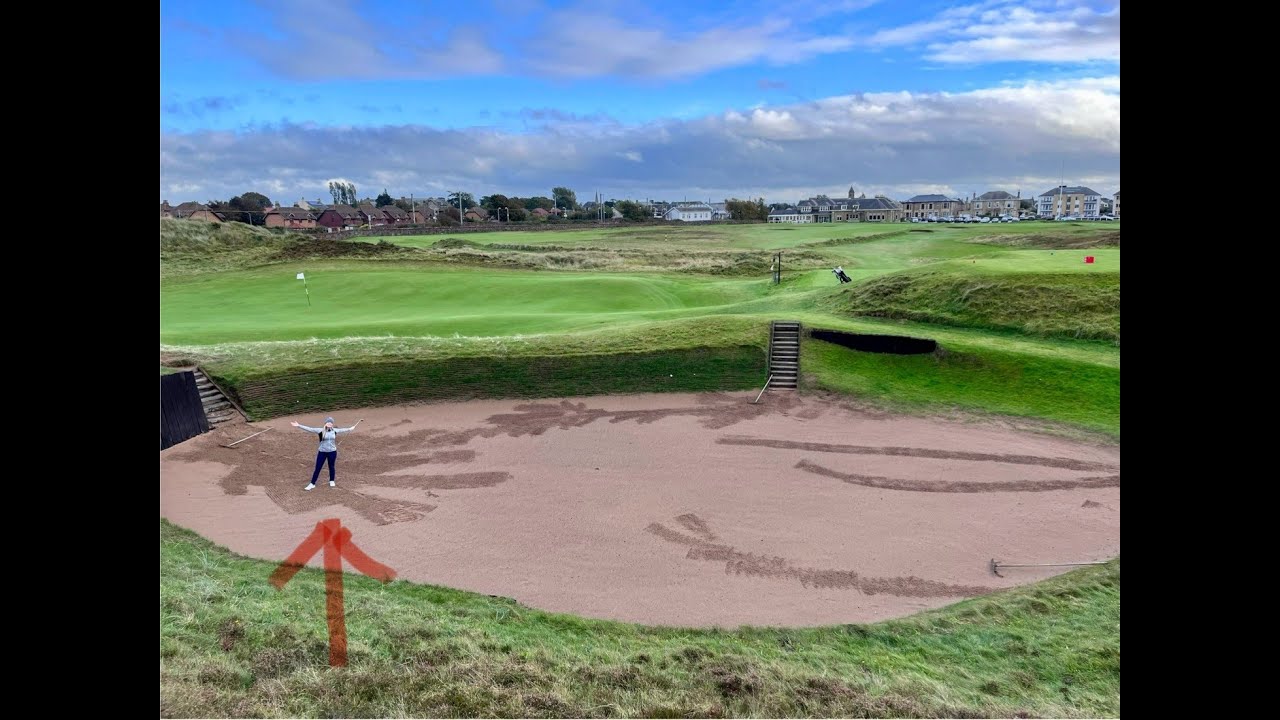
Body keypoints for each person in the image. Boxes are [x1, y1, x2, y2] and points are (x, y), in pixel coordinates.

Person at [290, 416, 362, 490]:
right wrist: (299, 425)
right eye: (328, 422)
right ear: (325, 423)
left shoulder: (335, 431)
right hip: (322, 452)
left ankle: (331, 480)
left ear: (332, 424)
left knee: (331, 466)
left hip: (332, 452)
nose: (329, 424)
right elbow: (310, 429)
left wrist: (350, 428)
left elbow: (343, 430)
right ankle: (312, 483)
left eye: (331, 423)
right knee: (318, 468)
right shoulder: (320, 431)